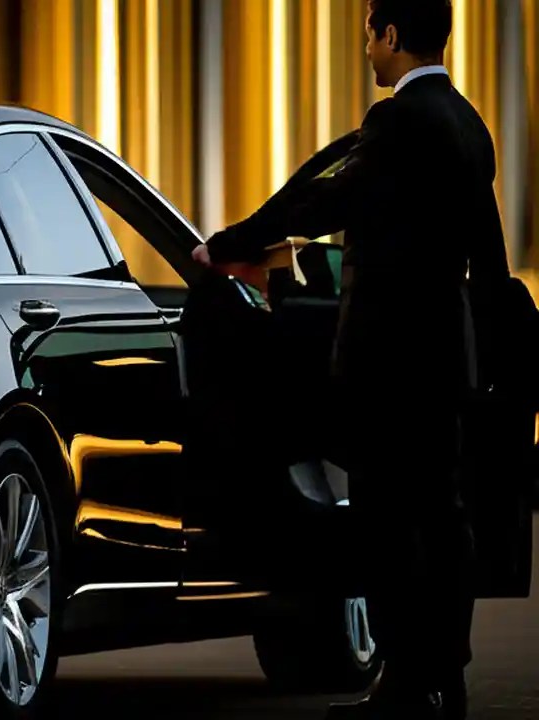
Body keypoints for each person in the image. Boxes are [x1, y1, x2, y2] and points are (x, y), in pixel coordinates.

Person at [191, 1, 510, 718]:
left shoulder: (396, 122)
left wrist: (230, 242)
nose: (367, 50)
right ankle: (445, 677)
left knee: (387, 522)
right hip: (444, 364)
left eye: (369, 35)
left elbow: (322, 203)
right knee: (443, 518)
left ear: (391, 35)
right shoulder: (467, 123)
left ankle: (402, 683)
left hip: (386, 366)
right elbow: (486, 255)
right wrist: (487, 357)